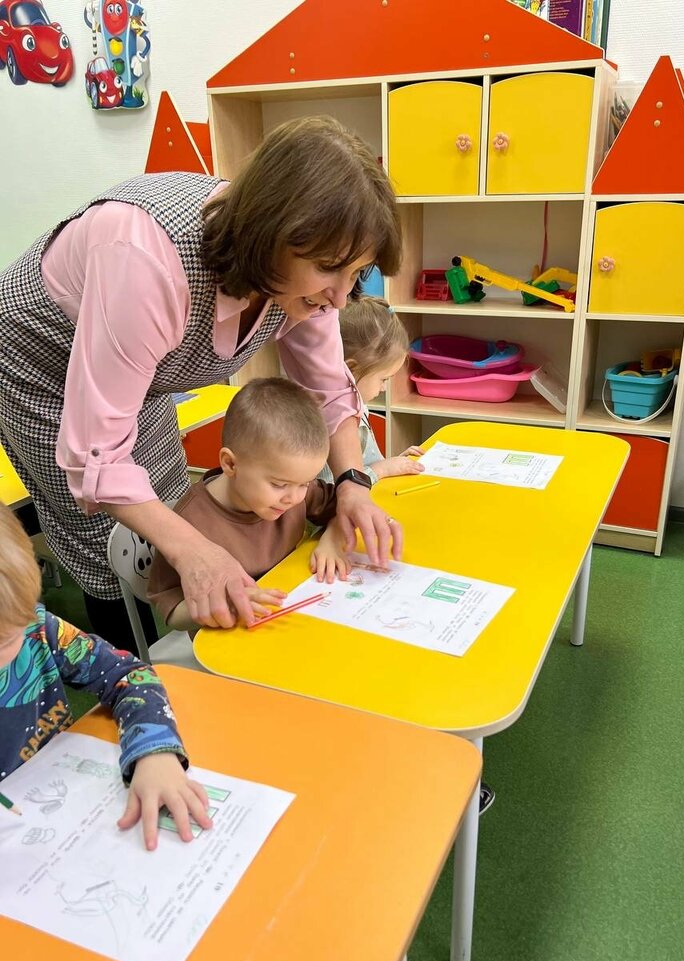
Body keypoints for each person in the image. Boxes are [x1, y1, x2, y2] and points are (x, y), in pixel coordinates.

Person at [0, 115, 402, 650]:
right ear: (271, 237)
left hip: (137, 362)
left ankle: (182, 642)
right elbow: (95, 457)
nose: (340, 297)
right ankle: (128, 670)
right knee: (112, 545)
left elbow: (329, 389)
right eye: (331, 269)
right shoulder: (145, 260)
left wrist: (353, 482)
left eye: (356, 274)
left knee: (171, 511)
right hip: (39, 362)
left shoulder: (305, 275)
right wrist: (192, 551)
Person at [0, 502, 212, 850]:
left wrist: (153, 752)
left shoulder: (36, 630)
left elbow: (129, 675)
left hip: (69, 799)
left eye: (7, 640)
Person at [148, 378, 350, 631]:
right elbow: (170, 610)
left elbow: (344, 507)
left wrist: (332, 539)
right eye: (279, 484)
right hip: (231, 637)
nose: (294, 498)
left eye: (305, 483)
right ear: (231, 464)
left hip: (288, 619)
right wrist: (225, 604)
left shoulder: (291, 488)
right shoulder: (189, 522)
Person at [317, 296, 425, 485]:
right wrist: (382, 469)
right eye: (383, 379)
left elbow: (364, 465)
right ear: (350, 370)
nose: (384, 388)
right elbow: (328, 490)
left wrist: (394, 464)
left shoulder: (359, 406)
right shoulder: (327, 424)